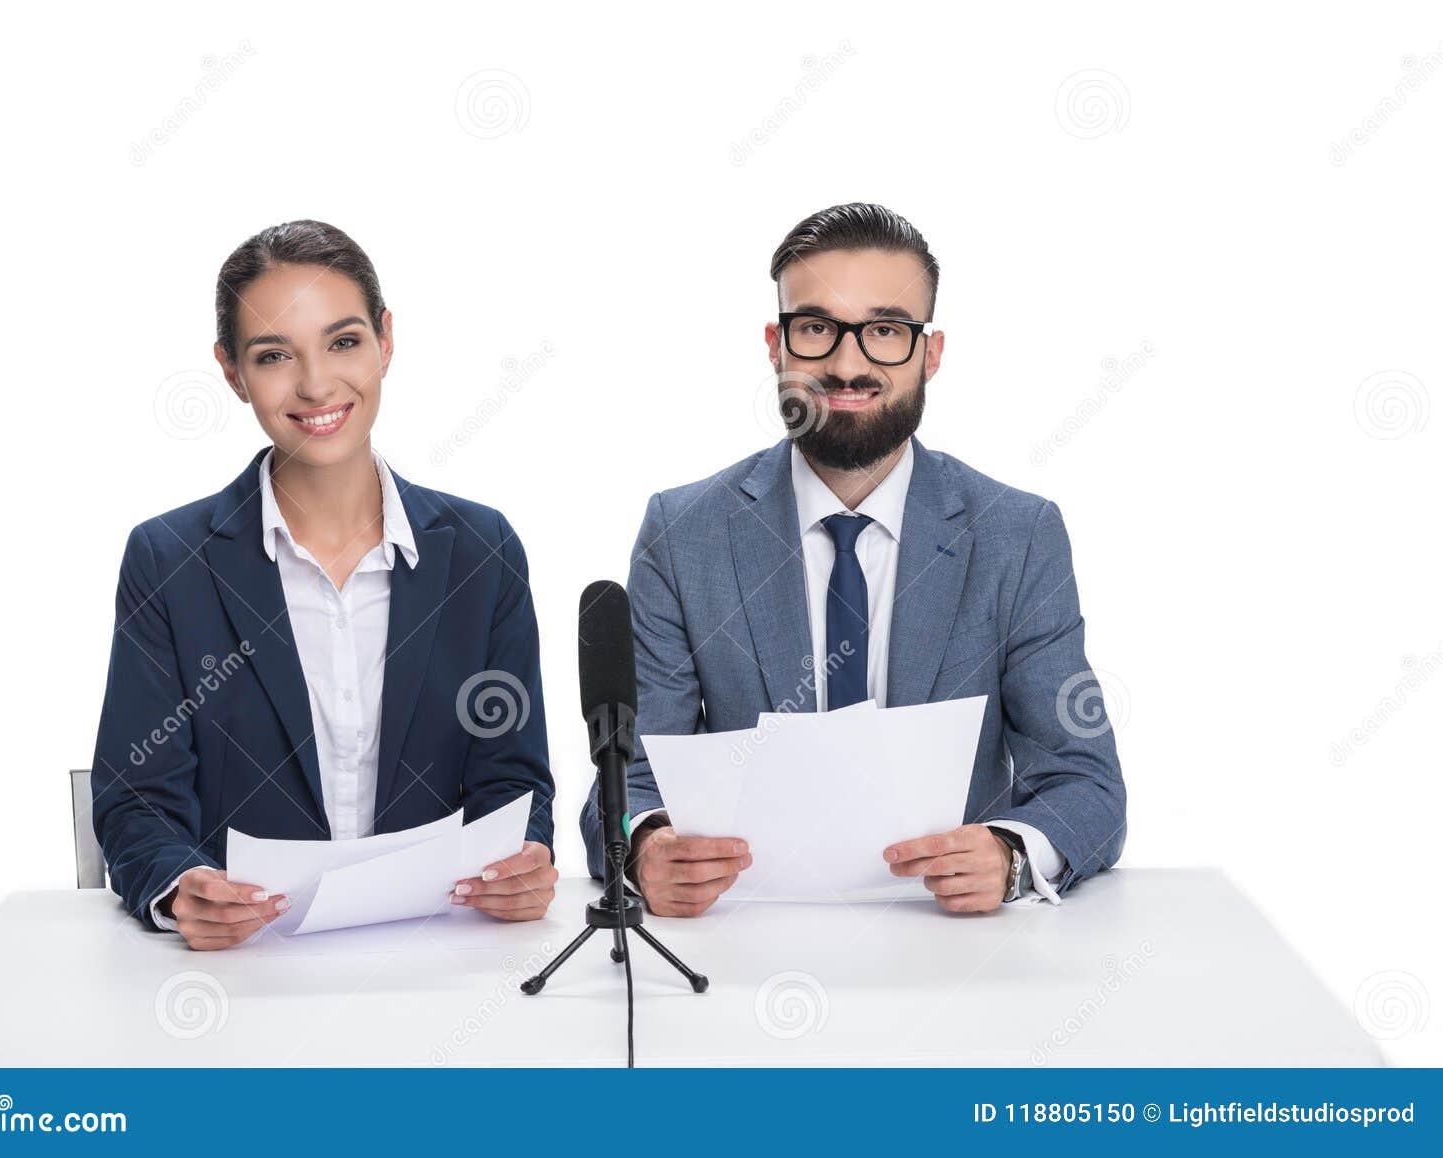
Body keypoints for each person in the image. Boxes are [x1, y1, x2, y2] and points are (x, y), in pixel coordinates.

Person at [582, 203, 1126, 916]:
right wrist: (646, 844)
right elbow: (627, 784)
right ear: (776, 345)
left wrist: (1013, 855)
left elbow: (1087, 784)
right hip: (746, 940)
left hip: (959, 949)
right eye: (816, 329)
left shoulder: (1016, 536)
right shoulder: (683, 535)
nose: (847, 364)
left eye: (885, 331)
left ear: (930, 353)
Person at [92, 220, 556, 949]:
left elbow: (512, 782)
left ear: (386, 340)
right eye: (274, 355)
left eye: (344, 342)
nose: (315, 384)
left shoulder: (480, 551)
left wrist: (525, 861)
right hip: (245, 973)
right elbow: (137, 802)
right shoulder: (169, 559)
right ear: (231, 370)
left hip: (437, 956)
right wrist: (183, 887)